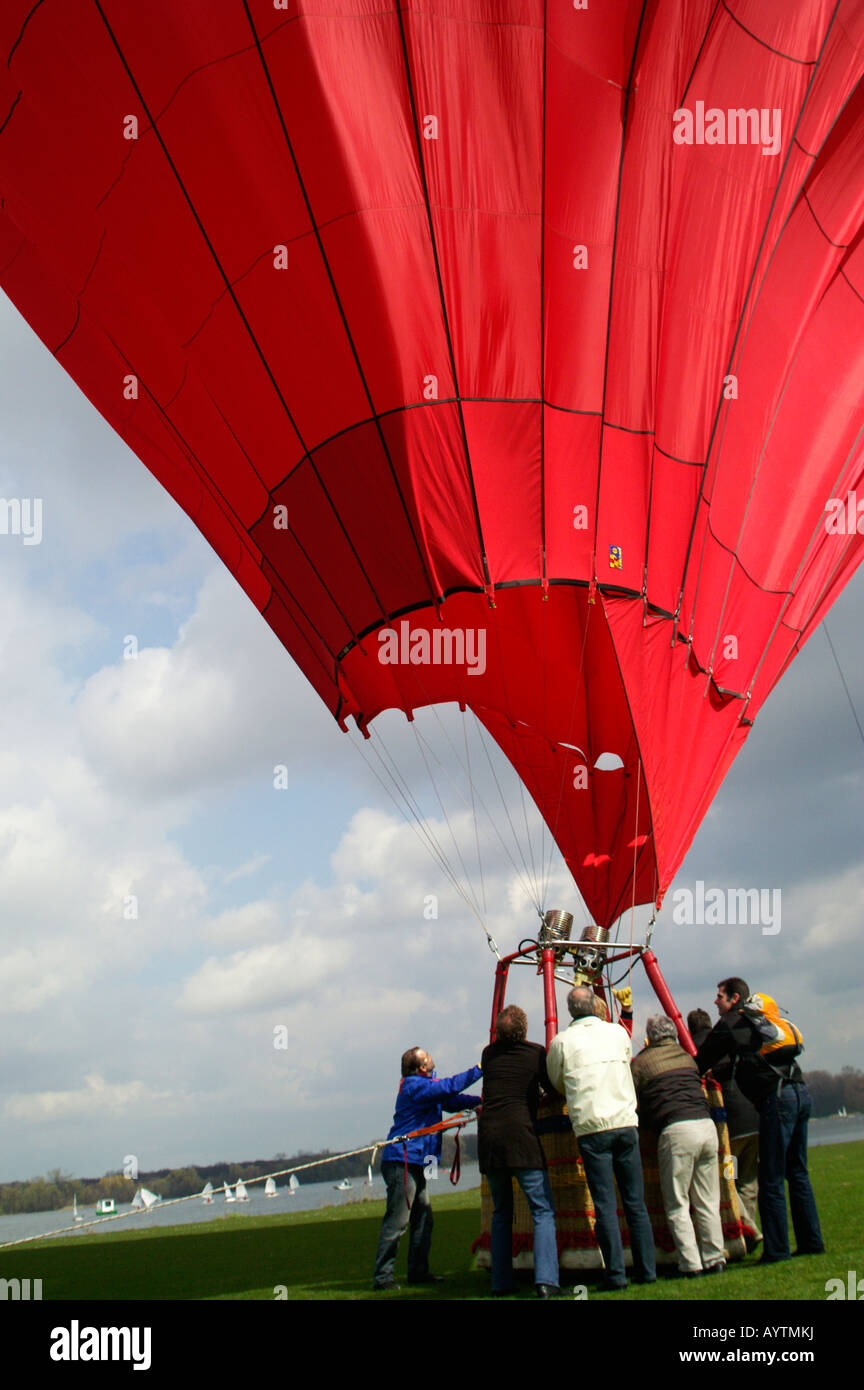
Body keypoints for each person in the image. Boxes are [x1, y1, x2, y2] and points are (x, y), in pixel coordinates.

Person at [695, 977, 824, 1265]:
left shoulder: (730, 1025)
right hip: (799, 1091)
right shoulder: (762, 1024)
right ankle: (811, 1242)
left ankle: (776, 1250)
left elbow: (701, 1061)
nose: (715, 1001)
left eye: (720, 996)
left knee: (772, 1178)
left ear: (734, 1000)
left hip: (776, 1100)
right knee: (798, 1174)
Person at [547, 985, 656, 1291]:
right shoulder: (618, 1034)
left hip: (592, 1128)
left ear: (570, 1011)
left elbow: (557, 1082)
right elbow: (626, 1060)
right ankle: (647, 1271)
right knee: (636, 1202)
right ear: (595, 1006)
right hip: (624, 1123)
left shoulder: (561, 1042)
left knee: (605, 1205)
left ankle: (617, 1275)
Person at [372, 1047, 481, 1291]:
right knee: (398, 1221)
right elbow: (448, 1088)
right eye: (428, 1057)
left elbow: (453, 1100)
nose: (432, 1059)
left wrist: (483, 1101)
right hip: (402, 1162)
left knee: (423, 1218)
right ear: (421, 1067)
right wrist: (480, 1069)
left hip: (415, 1161)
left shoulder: (427, 1087)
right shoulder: (414, 1086)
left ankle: (418, 1273)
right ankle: (382, 1278)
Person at [632, 1015, 725, 1277]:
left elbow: (634, 1098)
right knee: (707, 1200)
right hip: (706, 1127)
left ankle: (691, 1263)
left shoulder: (642, 1063)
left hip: (676, 1130)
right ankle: (715, 1258)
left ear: (650, 1036)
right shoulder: (687, 1058)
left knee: (677, 1203)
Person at [478, 1005, 560, 1298]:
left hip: (490, 1140)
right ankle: (547, 1281)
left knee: (501, 1213)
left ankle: (500, 1282)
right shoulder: (536, 1053)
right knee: (542, 1210)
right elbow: (552, 1087)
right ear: (525, 1029)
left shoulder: (488, 1055)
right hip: (521, 1138)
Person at [688, 1006, 762, 1253]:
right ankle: (747, 1229)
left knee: (729, 1177)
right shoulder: (731, 1040)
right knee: (748, 1182)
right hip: (754, 1122)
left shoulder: (696, 1048)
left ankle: (747, 1228)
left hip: (731, 1130)